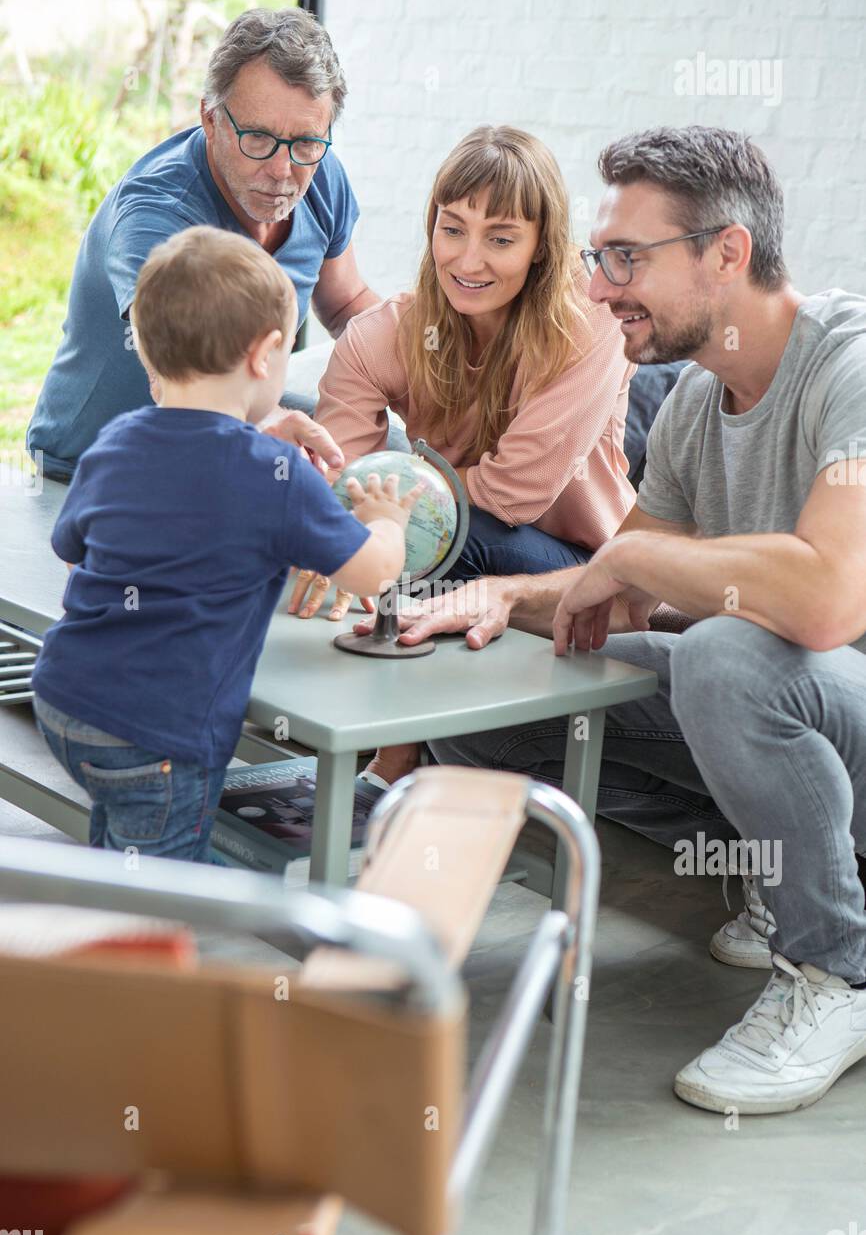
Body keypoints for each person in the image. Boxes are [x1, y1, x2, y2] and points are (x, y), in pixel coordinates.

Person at [356, 125, 866, 1116]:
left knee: (721, 653)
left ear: (726, 252)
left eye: (624, 258)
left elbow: (825, 601)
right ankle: (768, 856)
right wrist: (506, 600)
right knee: (498, 690)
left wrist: (627, 559)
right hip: (796, 720)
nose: (594, 287)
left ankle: (835, 971)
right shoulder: (689, 405)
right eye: (597, 258)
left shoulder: (846, 366)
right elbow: (619, 591)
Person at [30, 227, 418, 862]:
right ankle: (138, 944)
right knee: (168, 892)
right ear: (266, 354)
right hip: (156, 736)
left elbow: (72, 547)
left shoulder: (116, 441)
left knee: (126, 848)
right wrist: (388, 520)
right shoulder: (276, 473)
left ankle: (102, 925)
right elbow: (373, 575)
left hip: (66, 702)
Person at [298, 124, 636, 786]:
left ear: (541, 248)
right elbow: (338, 483)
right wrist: (340, 530)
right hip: (452, 538)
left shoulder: (592, 325)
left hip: (578, 568)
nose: (469, 260)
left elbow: (515, 494)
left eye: (502, 238)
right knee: (332, 549)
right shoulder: (383, 334)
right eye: (452, 229)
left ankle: (392, 760)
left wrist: (385, 516)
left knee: (430, 532)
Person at [26, 7, 380, 482]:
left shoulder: (320, 175)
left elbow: (347, 303)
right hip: (97, 464)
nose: (282, 171)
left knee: (386, 453)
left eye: (306, 143)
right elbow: (175, 378)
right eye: (257, 138)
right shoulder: (155, 214)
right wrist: (268, 432)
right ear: (210, 119)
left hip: (229, 424)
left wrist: (433, 374)